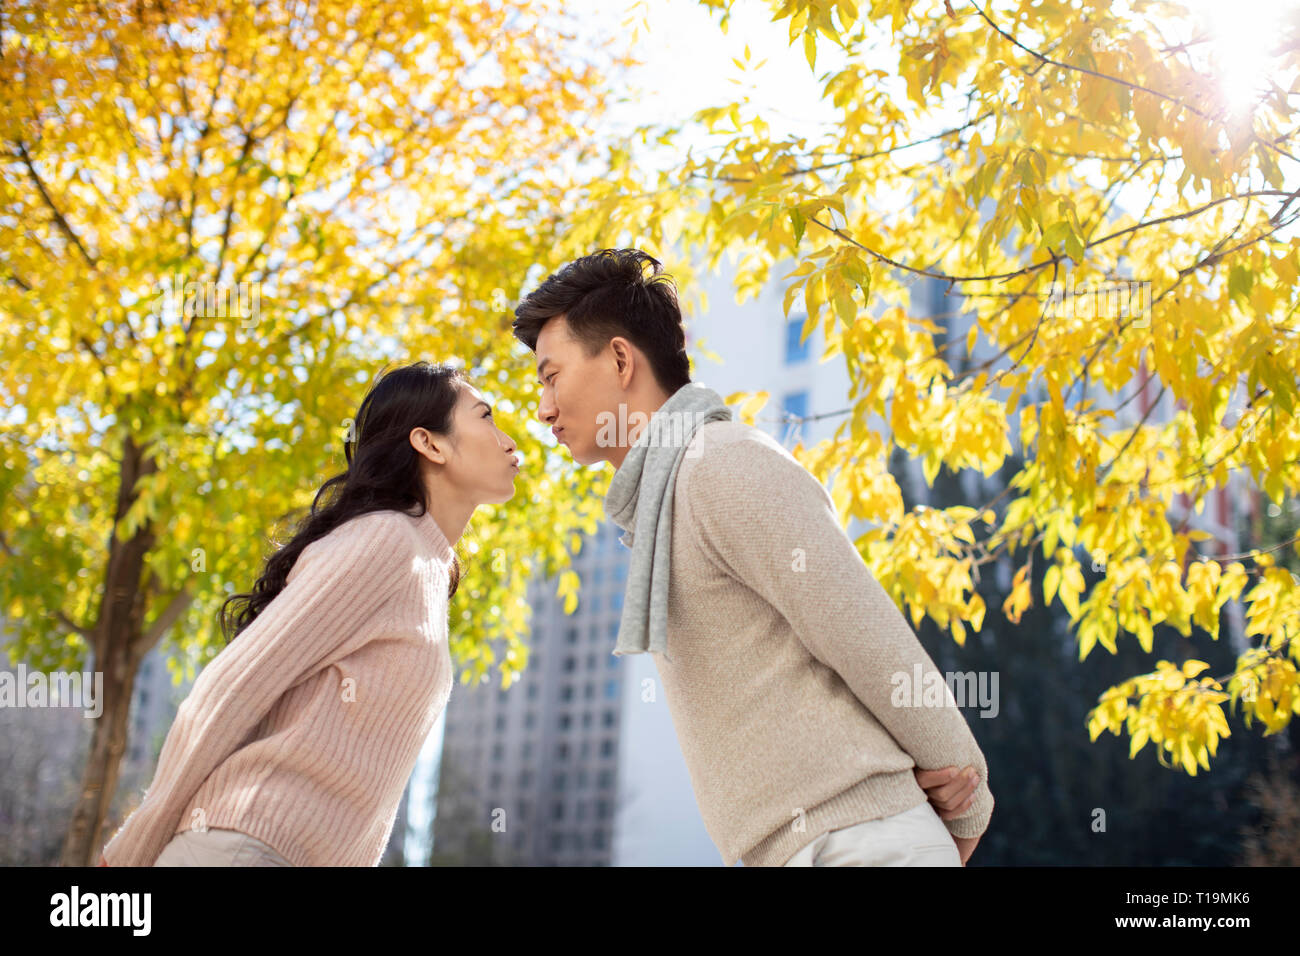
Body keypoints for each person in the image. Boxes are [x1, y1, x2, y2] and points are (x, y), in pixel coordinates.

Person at [511, 248, 993, 867]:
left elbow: (862, 631)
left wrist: (968, 793)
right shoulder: (668, 498)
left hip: (860, 840)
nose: (544, 408)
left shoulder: (722, 463)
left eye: (551, 377)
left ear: (621, 359)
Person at [98, 361, 521, 866]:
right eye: (486, 417)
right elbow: (233, 685)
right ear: (429, 443)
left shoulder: (428, 566)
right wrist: (134, 849)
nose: (509, 440)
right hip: (243, 848)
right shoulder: (386, 540)